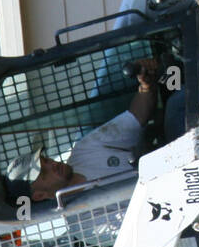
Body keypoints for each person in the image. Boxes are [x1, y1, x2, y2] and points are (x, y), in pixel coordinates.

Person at [29, 57, 160, 203]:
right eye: (44, 172)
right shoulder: (85, 219)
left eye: (46, 160)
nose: (52, 164)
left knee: (175, 104)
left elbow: (136, 118)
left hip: (167, 166)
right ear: (40, 195)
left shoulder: (83, 150)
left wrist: (146, 85)